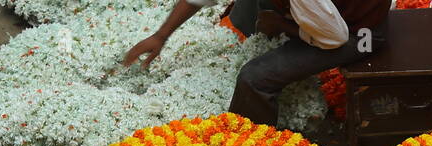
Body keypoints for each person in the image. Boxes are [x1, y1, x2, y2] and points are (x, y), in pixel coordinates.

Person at [124, 0, 391, 128]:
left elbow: (334, 37)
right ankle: (288, 22)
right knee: (245, 12)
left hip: (358, 32)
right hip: (326, 15)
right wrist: (160, 36)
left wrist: (282, 25)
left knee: (255, 78)